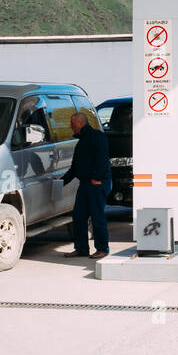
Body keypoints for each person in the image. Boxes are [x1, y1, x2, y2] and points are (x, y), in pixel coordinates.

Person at [62, 111, 111, 259]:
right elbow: (75, 168)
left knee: (97, 217)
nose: (70, 126)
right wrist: (61, 182)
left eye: (72, 123)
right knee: (78, 216)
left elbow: (102, 159)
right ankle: (82, 248)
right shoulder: (81, 141)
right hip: (85, 184)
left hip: (97, 183)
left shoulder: (97, 137)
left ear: (80, 123)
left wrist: (97, 178)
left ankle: (102, 248)